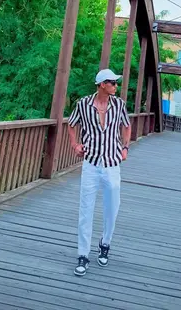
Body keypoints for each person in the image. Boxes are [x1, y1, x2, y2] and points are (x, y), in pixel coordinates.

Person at [68, 68, 131, 277]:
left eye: (116, 83)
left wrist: (125, 147)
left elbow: (127, 126)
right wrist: (75, 145)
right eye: (113, 83)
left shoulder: (119, 105)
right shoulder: (83, 104)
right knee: (85, 209)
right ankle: (83, 255)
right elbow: (71, 124)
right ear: (102, 84)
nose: (116, 86)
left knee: (113, 206)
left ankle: (105, 243)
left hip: (112, 163)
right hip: (91, 163)